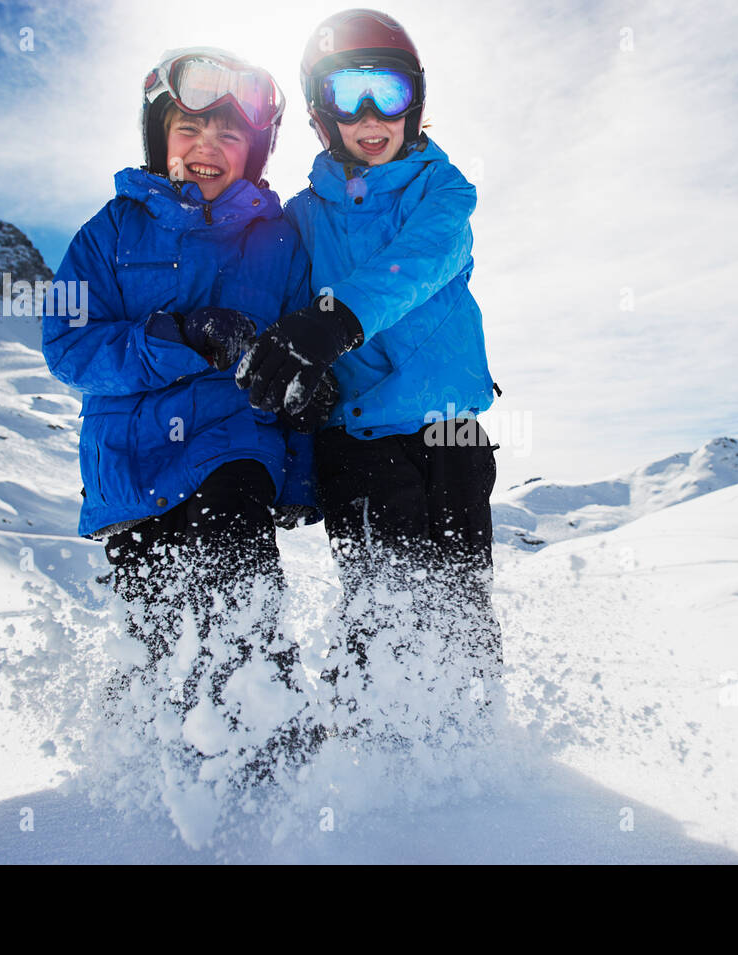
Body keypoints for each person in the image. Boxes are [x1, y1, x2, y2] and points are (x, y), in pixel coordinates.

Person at [43, 48, 325, 774]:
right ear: (158, 137)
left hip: (234, 447)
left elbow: (298, 358)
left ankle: (272, 741)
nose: (207, 147)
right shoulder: (108, 234)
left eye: (230, 135)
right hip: (134, 468)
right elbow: (70, 348)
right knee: (153, 627)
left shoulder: (278, 240)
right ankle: (148, 761)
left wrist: (300, 461)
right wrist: (179, 335)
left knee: (239, 580)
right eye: (190, 127)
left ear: (254, 153)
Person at [235, 10, 502, 725]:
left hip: (452, 435)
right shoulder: (303, 217)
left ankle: (474, 739)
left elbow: (421, 263)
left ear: (413, 100)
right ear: (323, 114)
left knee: (461, 598)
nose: (369, 116)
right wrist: (300, 367)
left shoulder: (443, 195)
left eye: (385, 92)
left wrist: (335, 322)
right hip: (356, 443)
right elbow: (283, 298)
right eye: (348, 96)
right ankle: (369, 741)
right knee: (387, 598)